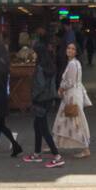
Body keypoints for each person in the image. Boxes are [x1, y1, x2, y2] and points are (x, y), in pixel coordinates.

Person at [24, 39, 64, 167]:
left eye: (35, 52)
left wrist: (33, 96)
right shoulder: (50, 65)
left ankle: (56, 155)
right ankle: (36, 153)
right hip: (48, 99)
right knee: (37, 125)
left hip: (40, 99)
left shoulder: (40, 67)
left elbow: (39, 85)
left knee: (43, 128)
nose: (33, 54)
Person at [52, 41, 92, 157]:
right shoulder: (76, 63)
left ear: (76, 52)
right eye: (68, 48)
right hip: (73, 94)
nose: (70, 50)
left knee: (75, 120)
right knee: (65, 119)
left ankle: (85, 148)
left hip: (72, 95)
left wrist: (61, 89)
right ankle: (55, 143)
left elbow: (70, 82)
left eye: (73, 49)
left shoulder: (72, 64)